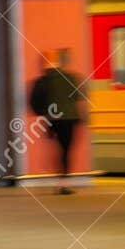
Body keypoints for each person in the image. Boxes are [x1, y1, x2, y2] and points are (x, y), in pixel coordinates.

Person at [29, 49, 85, 195]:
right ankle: (63, 182)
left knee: (58, 149)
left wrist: (43, 114)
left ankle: (59, 179)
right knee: (66, 151)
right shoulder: (72, 78)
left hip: (53, 120)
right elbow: (78, 99)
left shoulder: (42, 80)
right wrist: (82, 118)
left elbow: (35, 101)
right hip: (70, 119)